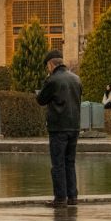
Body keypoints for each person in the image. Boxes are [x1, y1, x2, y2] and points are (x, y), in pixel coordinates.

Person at [35, 49, 82, 208]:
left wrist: (46, 81)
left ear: (50, 64)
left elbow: (41, 100)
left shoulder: (52, 80)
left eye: (47, 66)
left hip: (58, 128)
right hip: (74, 127)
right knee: (70, 162)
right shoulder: (76, 79)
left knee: (58, 163)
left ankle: (60, 198)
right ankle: (73, 196)